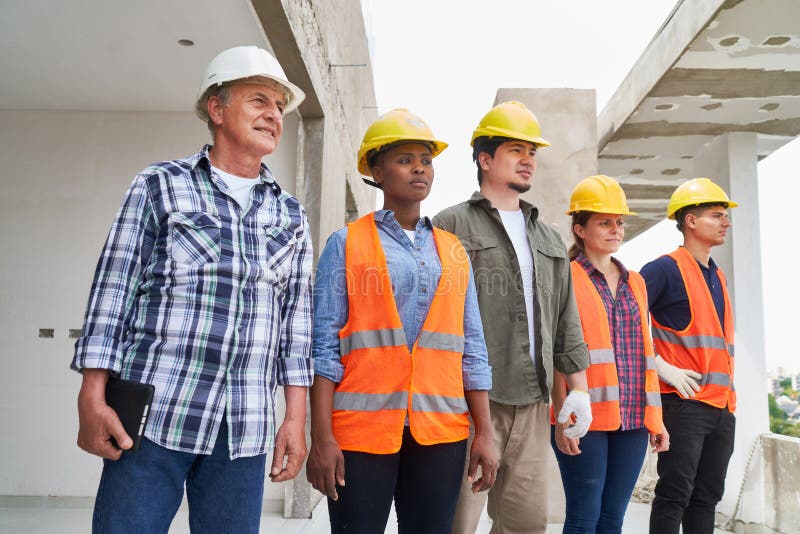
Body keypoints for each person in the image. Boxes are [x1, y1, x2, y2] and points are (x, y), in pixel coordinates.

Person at [71, 46, 313, 533]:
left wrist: (295, 419)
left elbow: (296, 325)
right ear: (216, 109)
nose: (273, 114)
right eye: (258, 100)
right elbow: (114, 288)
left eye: (279, 107)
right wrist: (92, 394)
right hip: (155, 414)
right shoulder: (160, 185)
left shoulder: (290, 215)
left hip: (242, 425)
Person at [308, 108, 498, 534]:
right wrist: (321, 438)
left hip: (441, 432)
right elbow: (323, 349)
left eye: (426, 160)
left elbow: (472, 347)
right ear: (376, 170)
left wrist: (484, 432)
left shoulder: (453, 251)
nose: (419, 168)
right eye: (404, 159)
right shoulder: (346, 243)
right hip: (362, 432)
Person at [433, 100, 591, 534]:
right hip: (468, 404)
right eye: (516, 150)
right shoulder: (449, 226)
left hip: (534, 405)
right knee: (457, 523)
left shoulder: (548, 237)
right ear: (485, 159)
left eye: (533, 152)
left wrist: (577, 392)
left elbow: (565, 319)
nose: (528, 161)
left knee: (525, 525)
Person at [550, 175, 670, 533]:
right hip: (584, 418)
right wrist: (560, 418)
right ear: (580, 229)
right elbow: (557, 351)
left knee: (612, 519)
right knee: (584, 518)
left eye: (619, 222)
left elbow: (645, 355)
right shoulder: (565, 277)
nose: (615, 229)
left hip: (632, 417)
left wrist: (656, 419)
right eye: (604, 222)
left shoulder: (637, 282)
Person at [642, 178, 738, 534]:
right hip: (684, 404)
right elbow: (622, 318)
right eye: (717, 215)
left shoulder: (718, 275)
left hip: (721, 406)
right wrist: (660, 366)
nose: (725, 222)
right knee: (674, 495)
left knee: (707, 497)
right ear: (691, 221)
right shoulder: (664, 270)